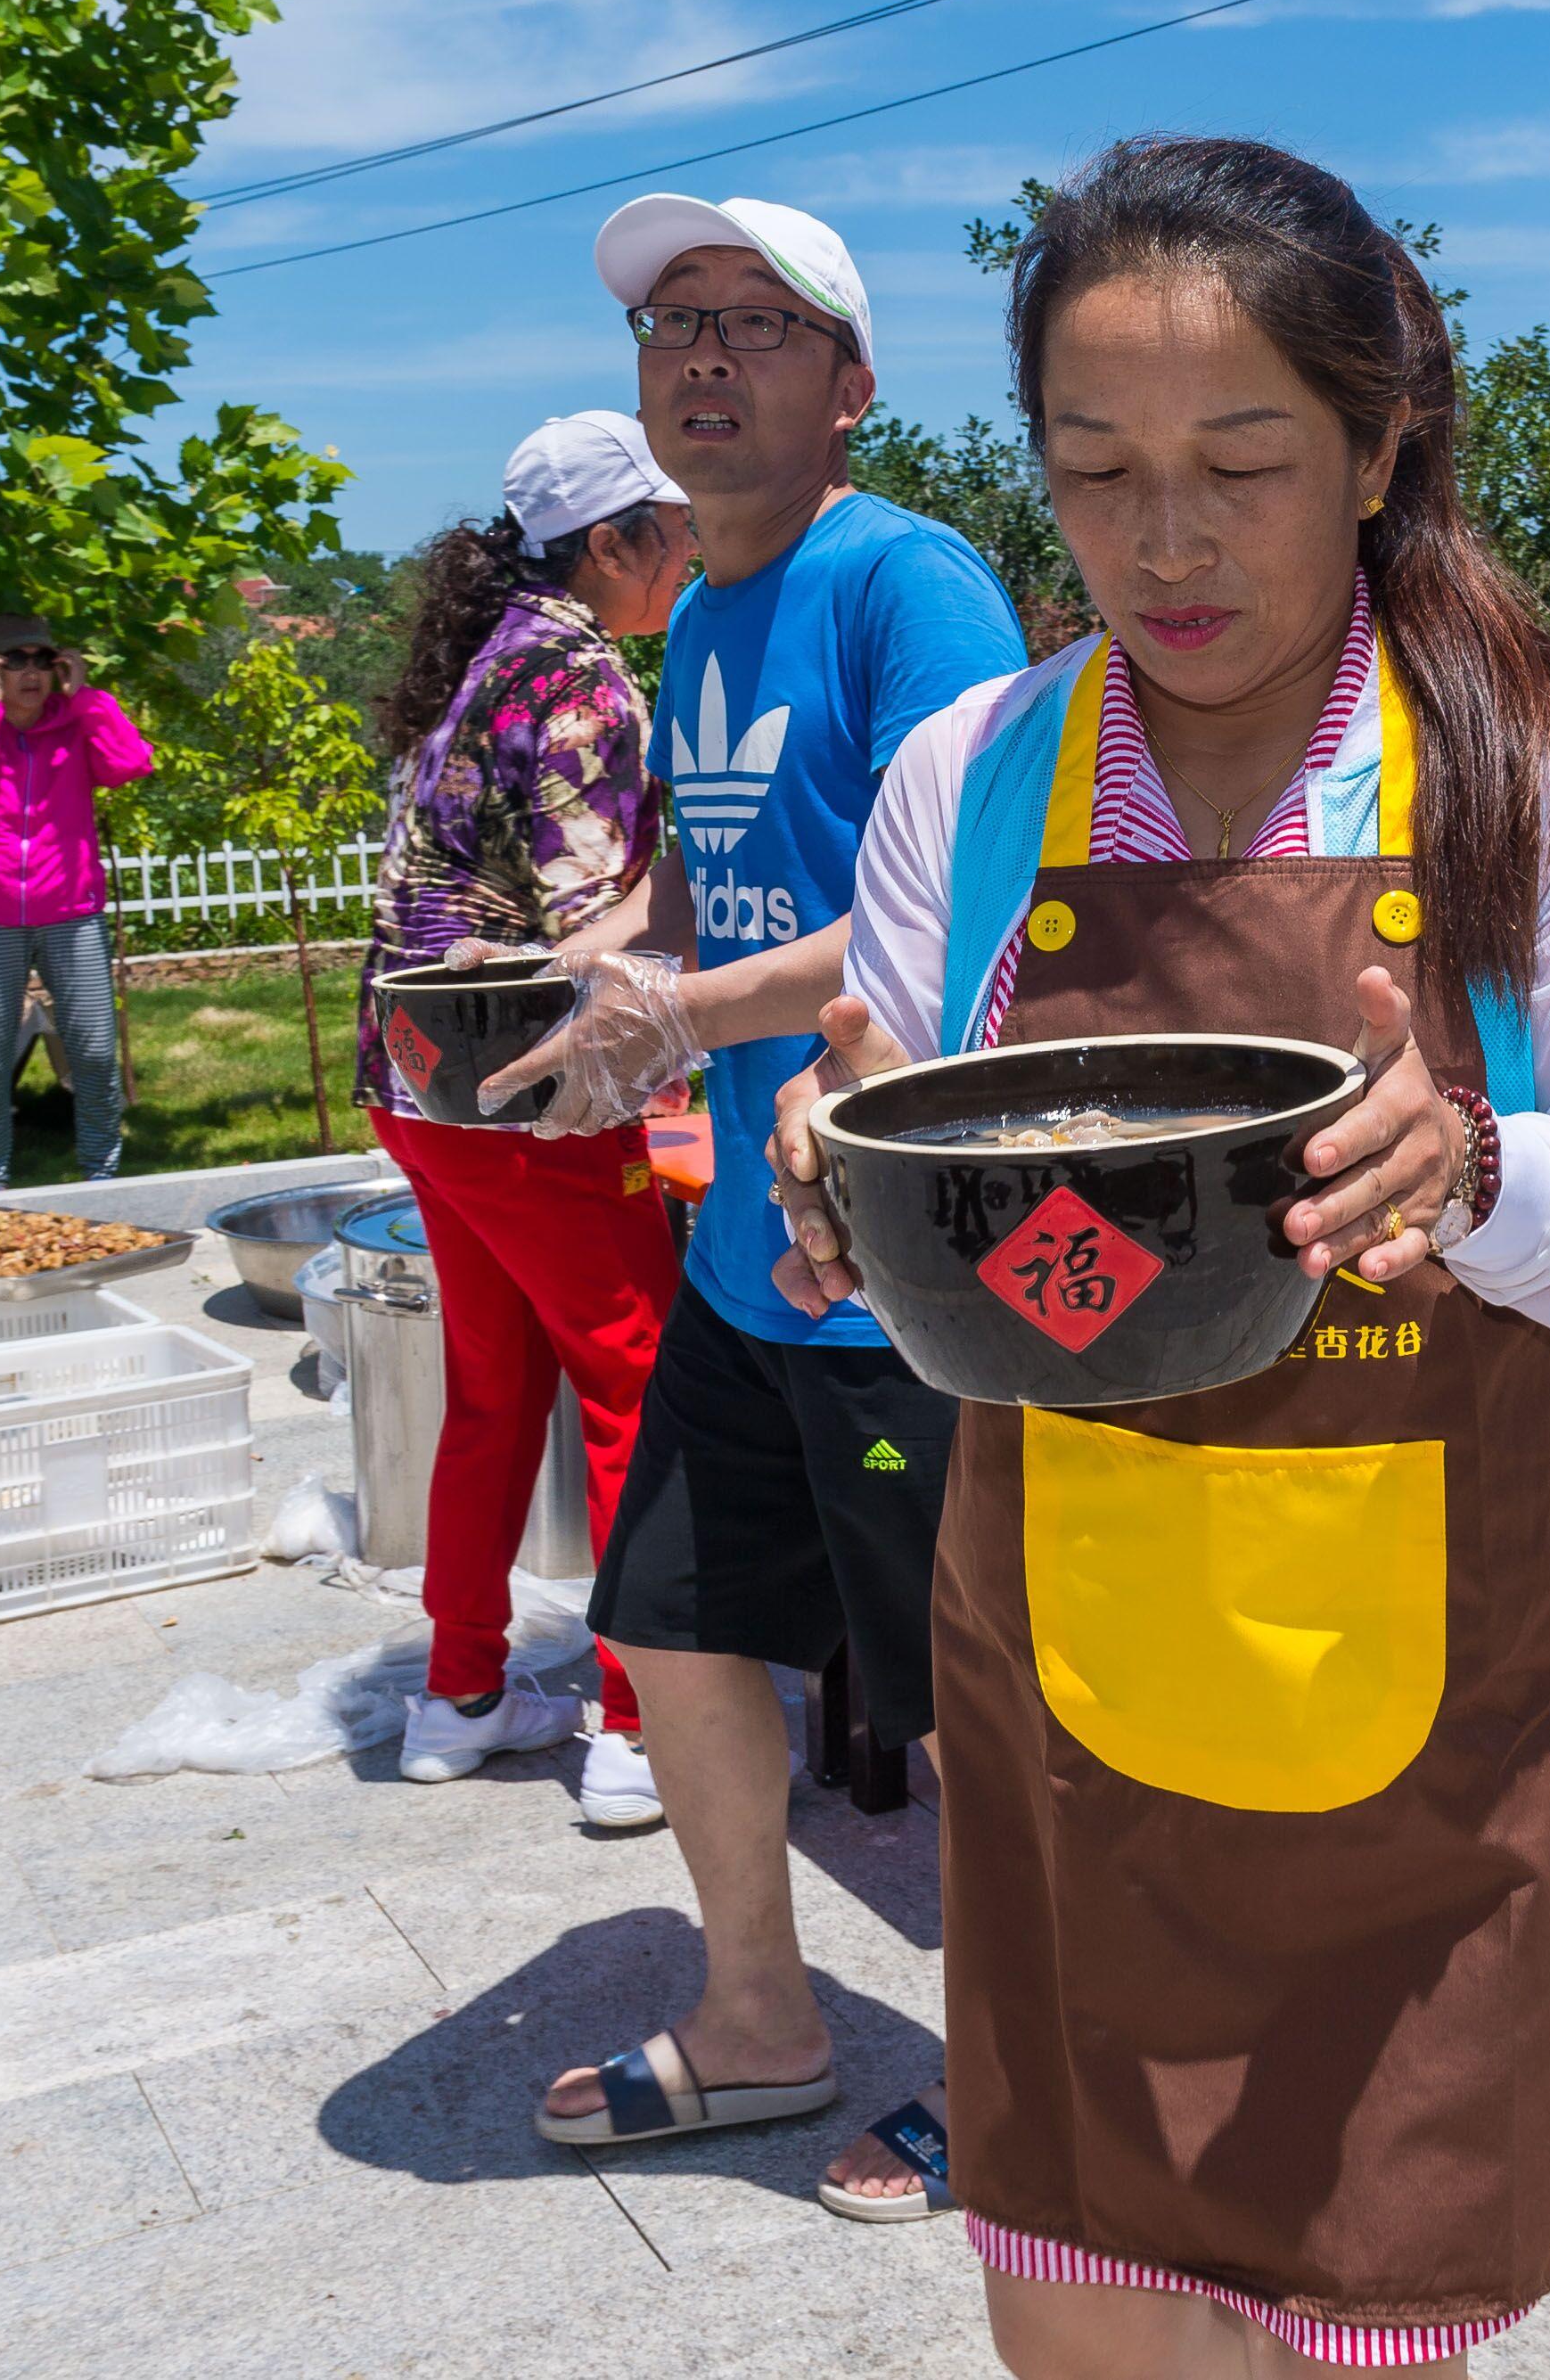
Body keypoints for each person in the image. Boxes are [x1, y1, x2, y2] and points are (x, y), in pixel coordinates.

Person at [756, 134, 1550, 2372]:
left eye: (1239, 462)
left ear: (1379, 444)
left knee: (1364, 2321)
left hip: (1437, 1713)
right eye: (1093, 468)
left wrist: (1477, 1174)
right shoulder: (970, 777)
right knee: (1072, 2325)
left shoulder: (1544, 768)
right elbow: (908, 1204)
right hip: (1075, 1701)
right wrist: (832, 1185)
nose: (1162, 541)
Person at [494, 193, 1029, 2221]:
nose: (703, 356)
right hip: (747, 1258)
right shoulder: (699, 616)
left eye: (757, 324)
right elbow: (722, 889)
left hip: (895, 1278)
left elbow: (948, 912)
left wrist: (682, 1002)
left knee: (962, 1700)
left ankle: (1019, 2066)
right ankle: (755, 2013)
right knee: (679, 1627)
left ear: (851, 384)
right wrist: (610, 974)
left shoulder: (911, 585)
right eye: (673, 326)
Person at [356, 411, 697, 1826]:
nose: (687, 551)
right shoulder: (578, 682)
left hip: (418, 1077)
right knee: (636, 1379)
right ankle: (635, 1723)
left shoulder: (487, 657)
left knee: (493, 1395)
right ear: (609, 542)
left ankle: (460, 1692)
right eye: (669, 530)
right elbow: (591, 927)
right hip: (527, 1090)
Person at [0, 615, 155, 1188]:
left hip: (72, 914)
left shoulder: (78, 727)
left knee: (97, 1054)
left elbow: (131, 764)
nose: (30, 673)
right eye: (14, 661)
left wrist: (88, 698)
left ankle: (102, 1176)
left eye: (41, 661)